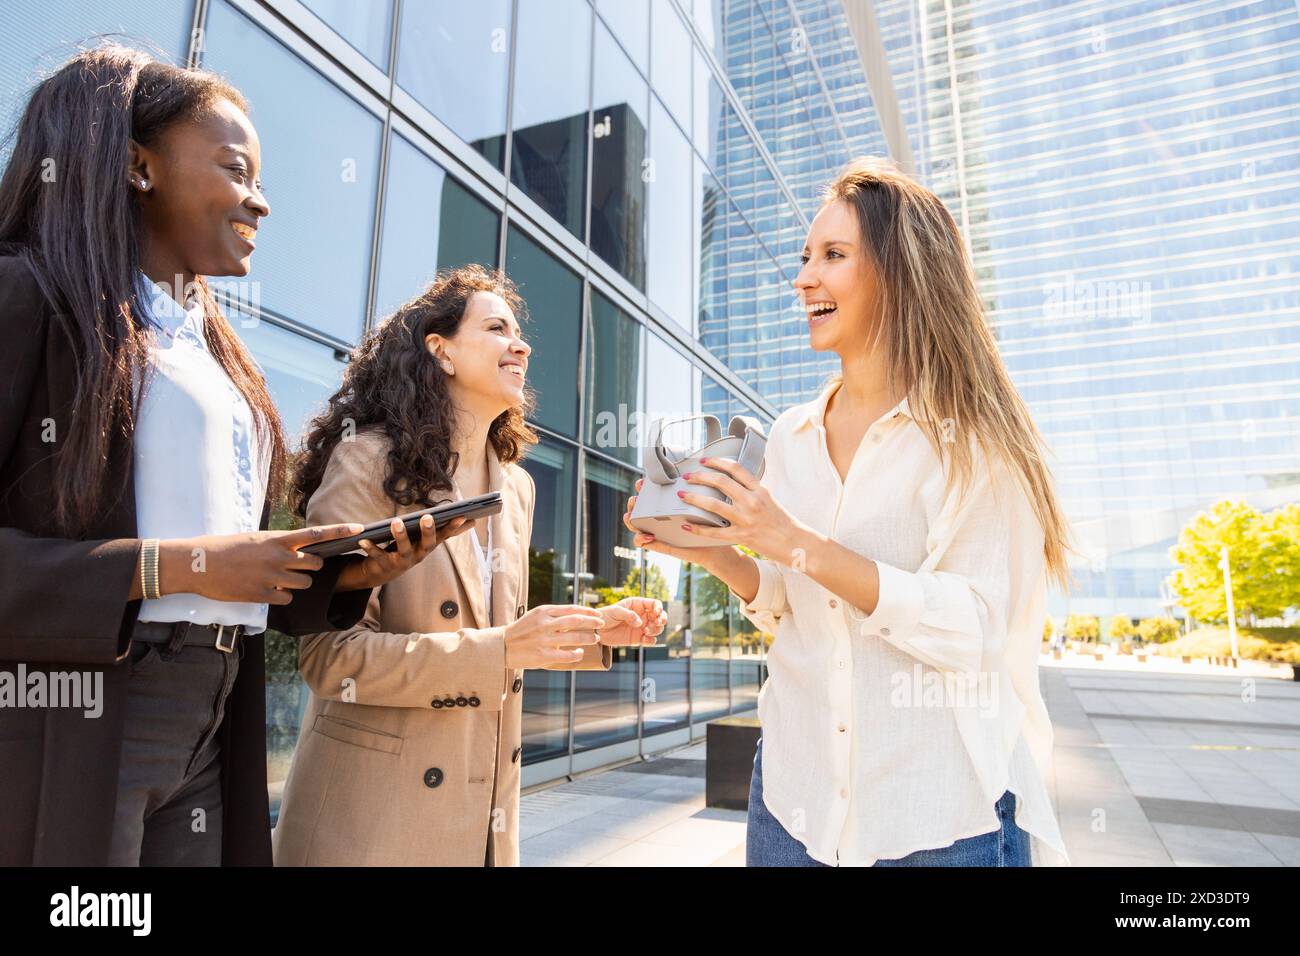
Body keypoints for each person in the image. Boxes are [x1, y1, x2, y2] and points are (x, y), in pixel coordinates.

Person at [0, 44, 449, 866]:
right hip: (87, 721)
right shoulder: (27, 298)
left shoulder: (209, 351)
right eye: (236, 169)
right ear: (139, 166)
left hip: (213, 716)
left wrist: (343, 578)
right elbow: (191, 566)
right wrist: (184, 567)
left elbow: (228, 579)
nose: (262, 203)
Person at [626, 158, 1074, 867]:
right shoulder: (792, 437)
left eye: (833, 256)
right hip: (792, 806)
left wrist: (793, 540)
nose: (804, 277)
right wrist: (718, 554)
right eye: (806, 257)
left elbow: (977, 631)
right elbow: (799, 604)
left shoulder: (974, 437)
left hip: (938, 817)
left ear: (900, 273)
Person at [272, 265, 667, 866]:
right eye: (496, 328)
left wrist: (594, 629)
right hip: (369, 824)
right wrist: (501, 650)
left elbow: (492, 629)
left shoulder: (517, 487)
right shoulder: (366, 461)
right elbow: (329, 658)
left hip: (481, 821)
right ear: (441, 351)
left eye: (519, 331)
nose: (522, 343)